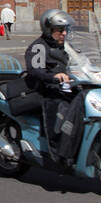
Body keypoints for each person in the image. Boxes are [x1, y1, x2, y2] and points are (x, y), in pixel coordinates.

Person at [23, 9, 77, 162]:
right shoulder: (39, 47)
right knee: (59, 110)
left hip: (65, 88)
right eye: (60, 30)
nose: (64, 33)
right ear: (48, 29)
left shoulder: (65, 46)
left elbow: (81, 60)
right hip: (45, 91)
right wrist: (53, 77)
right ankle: (57, 153)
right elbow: (35, 71)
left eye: (65, 29)